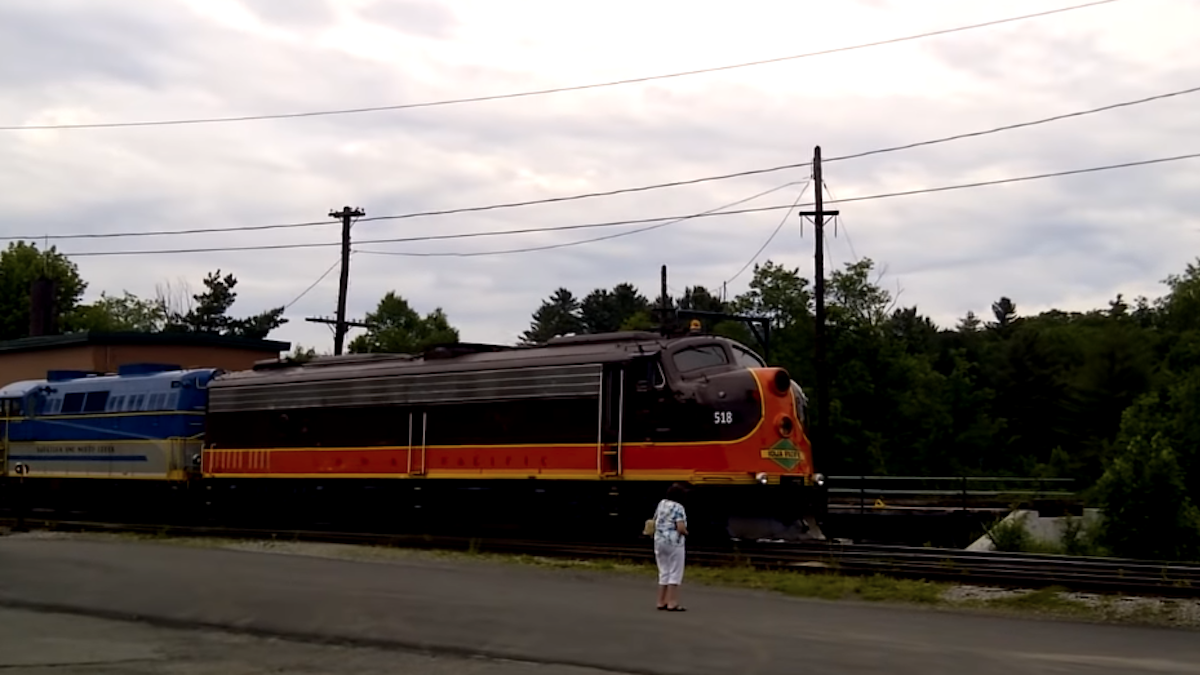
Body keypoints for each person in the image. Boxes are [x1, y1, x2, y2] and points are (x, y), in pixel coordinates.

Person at [653, 482, 689, 611]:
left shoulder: (661, 504)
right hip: (674, 543)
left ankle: (660, 601)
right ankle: (672, 602)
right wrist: (686, 532)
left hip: (659, 541)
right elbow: (680, 527)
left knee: (663, 571)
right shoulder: (679, 507)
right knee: (675, 572)